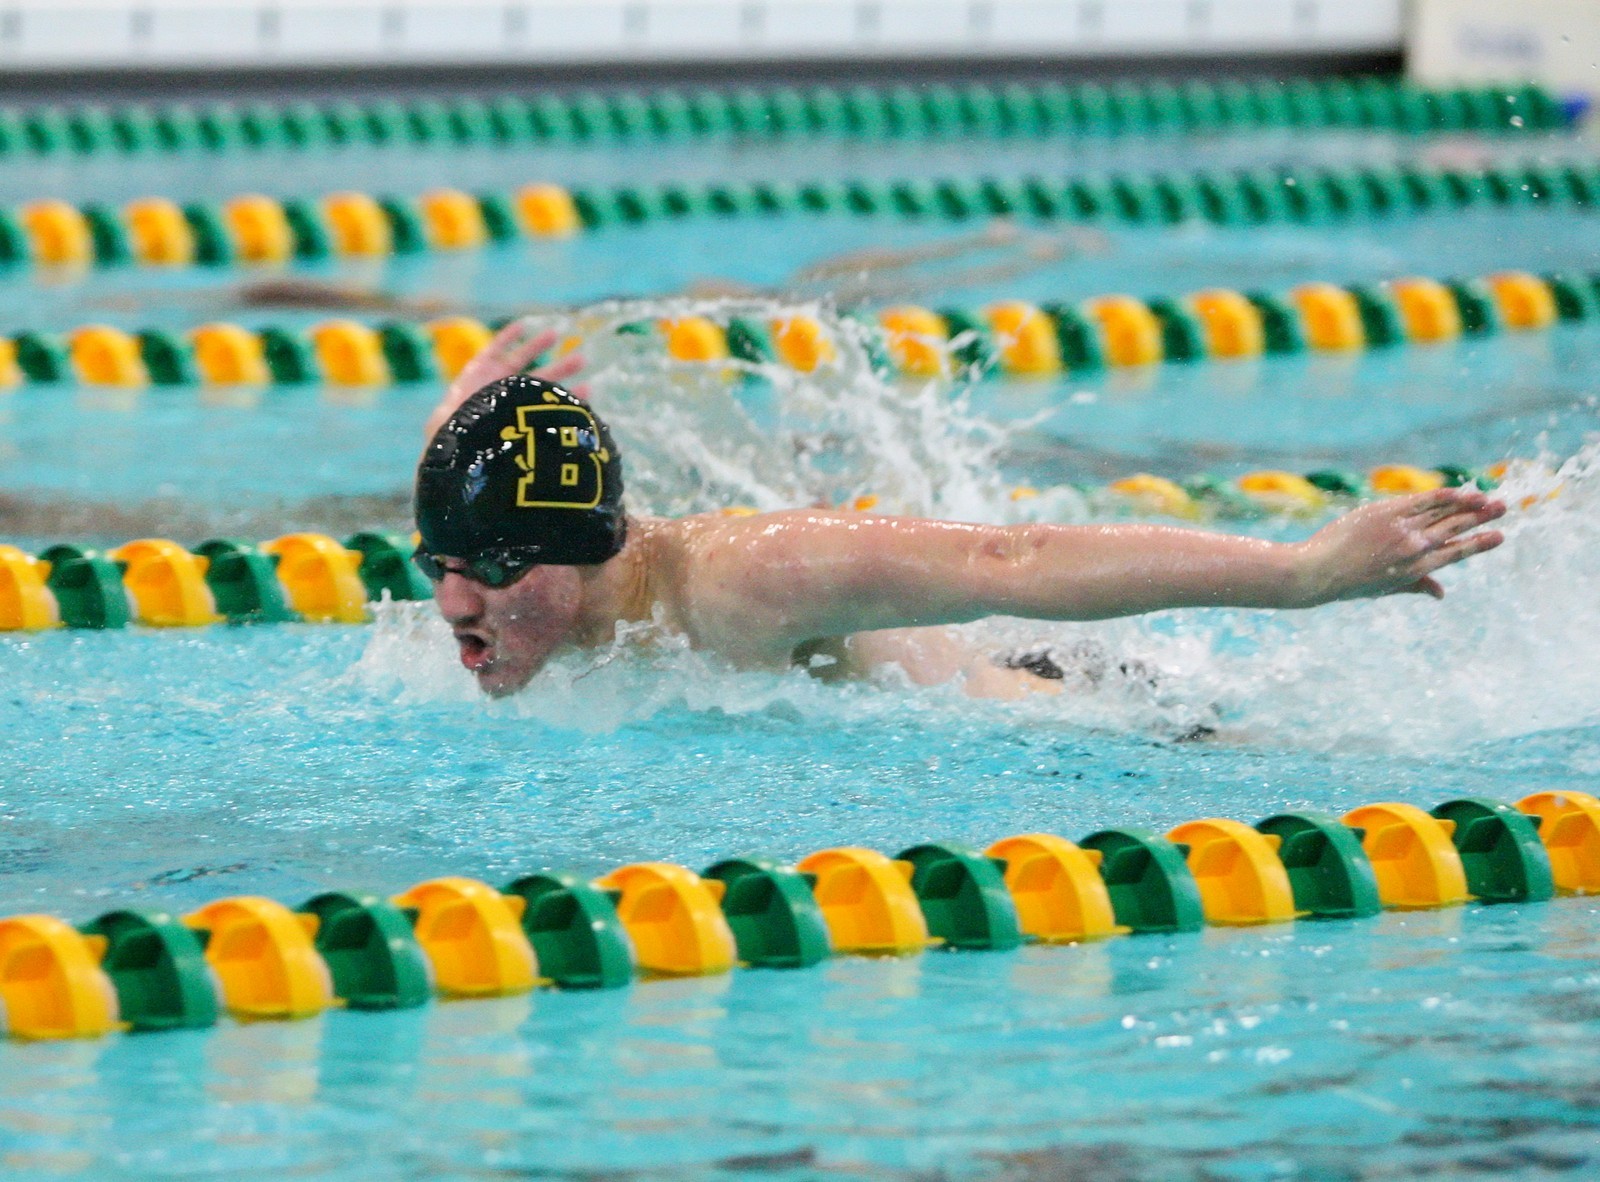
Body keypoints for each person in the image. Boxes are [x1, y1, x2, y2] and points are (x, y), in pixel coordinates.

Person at [415, 321, 1507, 700]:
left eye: (495, 565)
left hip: (1076, 716)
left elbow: (1010, 556)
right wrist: (462, 424)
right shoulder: (514, 584)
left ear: (582, 548)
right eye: (436, 564)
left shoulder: (751, 581)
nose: (455, 605)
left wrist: (1300, 574)